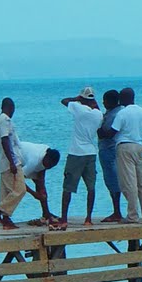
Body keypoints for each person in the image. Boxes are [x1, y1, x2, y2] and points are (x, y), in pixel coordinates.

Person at [104, 87, 142, 222]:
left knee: (129, 183)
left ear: (122, 99)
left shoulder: (122, 114)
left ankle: (132, 215)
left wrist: (100, 130)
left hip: (124, 147)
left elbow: (112, 133)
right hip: (138, 146)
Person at [58, 87, 102, 226]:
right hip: (91, 152)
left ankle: (64, 219)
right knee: (91, 187)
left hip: (76, 153)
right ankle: (88, 218)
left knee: (68, 187)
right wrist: (94, 104)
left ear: (82, 98)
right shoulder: (98, 114)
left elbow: (63, 101)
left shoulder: (78, 108)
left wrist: (77, 98)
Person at [0, 98, 24, 228]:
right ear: (10, 108)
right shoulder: (5, 120)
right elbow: (5, 141)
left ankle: (6, 220)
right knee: (20, 190)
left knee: (6, 193)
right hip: (10, 161)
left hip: (4, 162)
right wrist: (12, 162)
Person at [15, 140, 64, 227]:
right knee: (18, 187)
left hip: (29, 158)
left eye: (51, 167)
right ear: (46, 158)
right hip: (16, 158)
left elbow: (41, 176)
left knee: (42, 188)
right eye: (48, 165)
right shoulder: (33, 161)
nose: (48, 167)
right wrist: (34, 194)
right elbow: (19, 180)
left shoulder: (46, 151)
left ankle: (46, 213)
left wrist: (41, 191)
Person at [95, 89, 124, 222]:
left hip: (109, 150)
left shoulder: (113, 115)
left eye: (105, 100)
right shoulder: (117, 112)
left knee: (112, 181)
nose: (103, 103)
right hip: (114, 150)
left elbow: (105, 133)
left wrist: (98, 129)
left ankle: (117, 212)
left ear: (111, 101)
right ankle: (117, 211)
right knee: (115, 180)